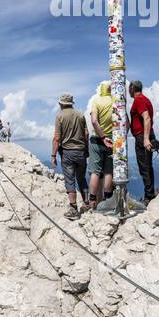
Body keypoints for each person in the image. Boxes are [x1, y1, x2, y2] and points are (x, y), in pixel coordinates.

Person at [51, 92, 91, 218]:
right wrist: (86, 150)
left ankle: (73, 208)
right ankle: (87, 203)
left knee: (70, 180)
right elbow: (86, 134)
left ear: (61, 104)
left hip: (67, 152)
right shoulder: (80, 115)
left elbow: (57, 138)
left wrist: (53, 155)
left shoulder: (60, 117)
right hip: (81, 151)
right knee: (81, 178)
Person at [86, 81, 116, 209]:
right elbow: (128, 124)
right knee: (109, 172)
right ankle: (108, 202)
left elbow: (93, 121)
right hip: (112, 141)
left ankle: (92, 203)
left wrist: (102, 136)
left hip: (97, 140)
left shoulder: (96, 102)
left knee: (95, 172)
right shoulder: (116, 102)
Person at [129, 80, 159, 203]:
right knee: (147, 166)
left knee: (144, 167)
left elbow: (146, 117)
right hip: (147, 134)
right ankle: (150, 193)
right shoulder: (146, 99)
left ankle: (149, 196)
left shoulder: (139, 100)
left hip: (142, 137)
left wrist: (146, 139)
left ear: (132, 88)